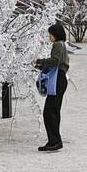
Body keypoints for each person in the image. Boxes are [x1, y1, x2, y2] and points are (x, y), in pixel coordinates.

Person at [36, 22, 70, 152]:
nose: (49, 37)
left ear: (55, 35)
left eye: (50, 34)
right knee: (54, 111)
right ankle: (54, 140)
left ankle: (55, 140)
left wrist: (40, 62)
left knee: (49, 112)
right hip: (61, 79)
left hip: (58, 80)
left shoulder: (57, 45)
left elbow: (55, 61)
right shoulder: (62, 45)